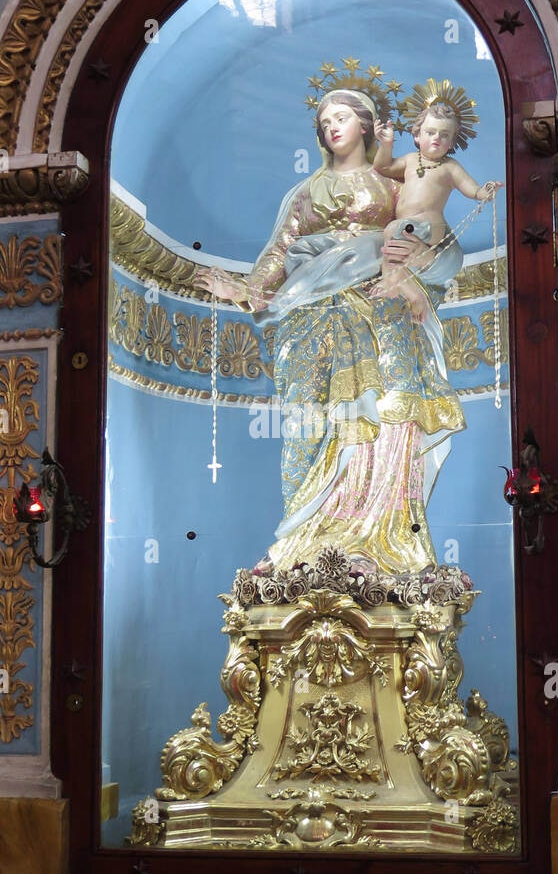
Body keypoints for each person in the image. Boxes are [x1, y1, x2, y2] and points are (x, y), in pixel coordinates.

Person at [194, 87, 466, 577]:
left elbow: (429, 232)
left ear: (366, 125)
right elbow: (278, 255)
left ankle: (383, 541)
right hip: (312, 315)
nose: (332, 127)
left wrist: (413, 272)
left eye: (342, 118)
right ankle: (303, 542)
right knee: (309, 422)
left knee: (387, 414)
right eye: (324, 122)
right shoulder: (304, 194)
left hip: (381, 313)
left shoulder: (394, 183)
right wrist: (240, 290)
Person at [371, 100, 502, 316]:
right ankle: (410, 294)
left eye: (444, 135)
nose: (436, 139)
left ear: (451, 143)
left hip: (429, 226)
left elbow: (471, 189)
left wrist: (483, 192)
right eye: (430, 132)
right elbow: (382, 167)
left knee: (391, 235)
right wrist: (386, 145)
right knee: (394, 256)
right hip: (408, 226)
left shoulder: (450, 167)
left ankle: (398, 286)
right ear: (417, 136)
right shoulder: (411, 161)